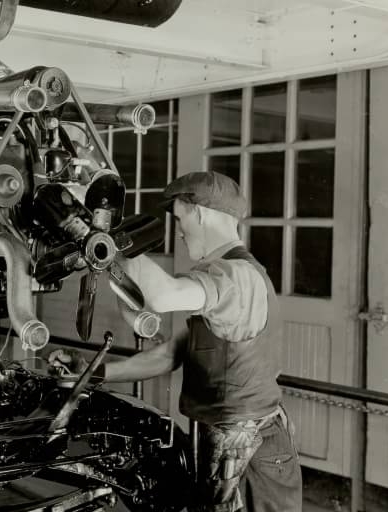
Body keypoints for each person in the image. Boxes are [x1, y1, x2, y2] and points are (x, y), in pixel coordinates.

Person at [102, 171, 303, 512]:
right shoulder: (222, 279)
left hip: (250, 453)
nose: (179, 232)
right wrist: (95, 373)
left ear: (201, 213)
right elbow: (169, 355)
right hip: (228, 445)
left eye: (181, 219)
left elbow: (162, 295)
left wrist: (111, 241)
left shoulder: (237, 277)